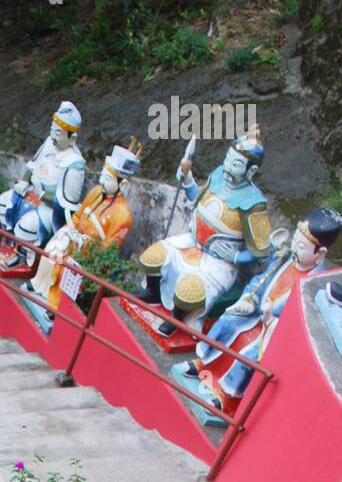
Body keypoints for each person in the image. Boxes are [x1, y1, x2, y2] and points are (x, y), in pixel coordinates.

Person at [177, 206, 342, 416]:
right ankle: (203, 363)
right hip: (254, 313)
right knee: (227, 321)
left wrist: (271, 320)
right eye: (295, 240)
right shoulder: (284, 259)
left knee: (249, 354)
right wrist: (250, 298)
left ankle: (226, 397)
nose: (293, 247)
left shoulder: (312, 286)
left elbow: (300, 320)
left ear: (320, 254)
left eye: (301, 245)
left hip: (273, 330)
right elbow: (260, 280)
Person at [137, 125, 273, 335]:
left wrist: (237, 256)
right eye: (227, 159)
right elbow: (195, 198)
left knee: (189, 290)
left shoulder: (254, 204)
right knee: (152, 257)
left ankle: (177, 318)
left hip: (218, 261)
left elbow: (263, 251)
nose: (227, 167)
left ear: (251, 170)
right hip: (193, 241)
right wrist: (188, 178)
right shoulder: (218, 175)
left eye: (235, 164)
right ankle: (153, 292)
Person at [26, 139, 141, 314]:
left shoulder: (123, 215)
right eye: (102, 175)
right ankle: (39, 285)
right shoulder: (96, 191)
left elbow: (109, 248)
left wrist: (84, 243)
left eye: (107, 178)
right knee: (53, 247)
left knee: (67, 264)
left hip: (89, 251)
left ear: (122, 184)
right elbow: (79, 215)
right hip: (75, 235)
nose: (102, 181)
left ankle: (56, 304)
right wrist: (69, 229)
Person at [0, 100, 84, 269]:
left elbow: (67, 203)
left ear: (72, 138)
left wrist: (42, 195)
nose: (53, 136)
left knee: (28, 225)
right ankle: (2, 236)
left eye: (59, 133)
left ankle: (20, 255)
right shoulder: (48, 142)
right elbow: (33, 164)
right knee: (4, 200)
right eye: (52, 130)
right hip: (30, 191)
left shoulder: (75, 164)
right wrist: (25, 180)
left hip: (48, 209)